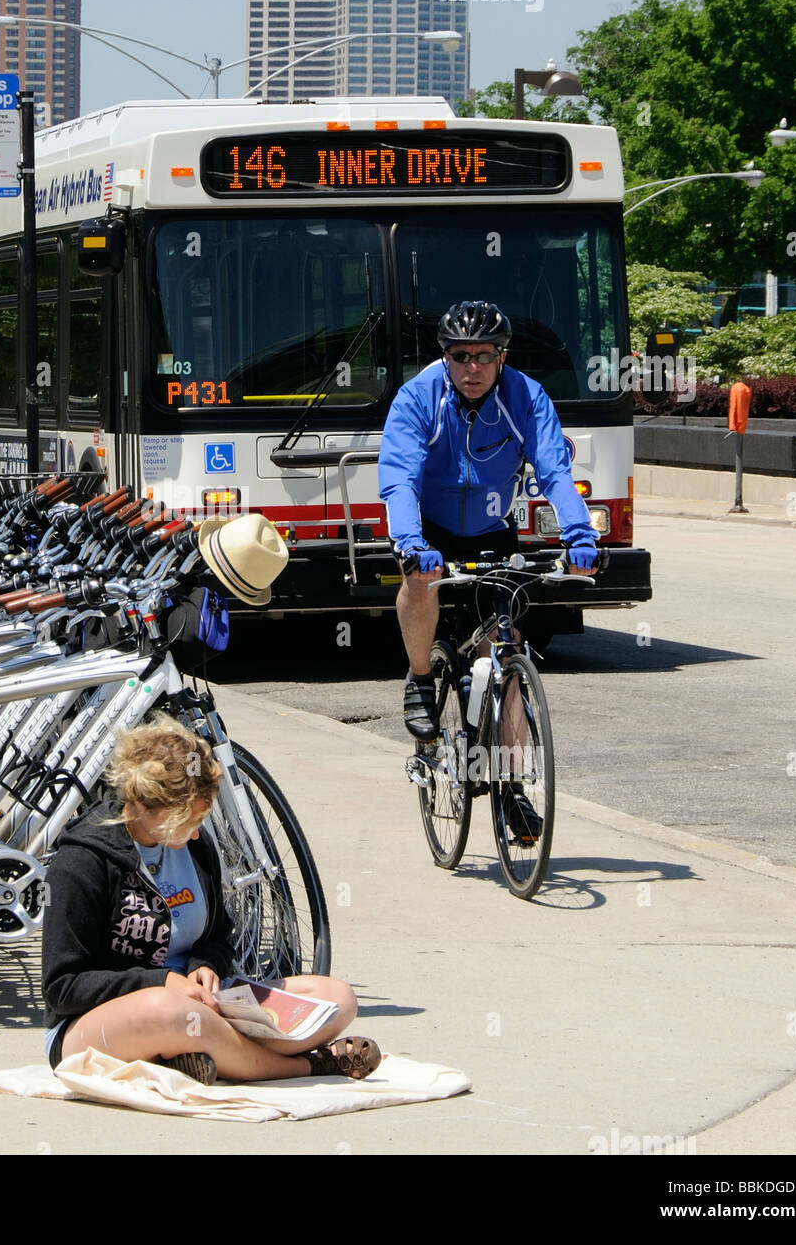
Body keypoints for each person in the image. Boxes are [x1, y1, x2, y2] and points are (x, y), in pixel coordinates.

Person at [41, 714, 381, 1085]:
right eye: (186, 821)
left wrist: (206, 964)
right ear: (146, 806)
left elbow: (218, 935)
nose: (195, 833)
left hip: (200, 1007)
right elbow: (63, 987)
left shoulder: (197, 847)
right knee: (170, 1012)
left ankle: (200, 1057)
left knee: (337, 997)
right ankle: (302, 1066)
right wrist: (162, 981)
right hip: (100, 1023)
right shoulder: (81, 862)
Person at [378, 301, 598, 775]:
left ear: (503, 355)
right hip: (430, 533)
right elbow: (400, 479)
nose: (471, 367)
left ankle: (513, 785)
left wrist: (580, 534)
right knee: (418, 583)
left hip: (493, 532)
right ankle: (419, 678)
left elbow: (554, 471)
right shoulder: (417, 398)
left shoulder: (526, 396)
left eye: (484, 355)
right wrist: (411, 543)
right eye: (460, 356)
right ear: (444, 356)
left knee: (507, 660)